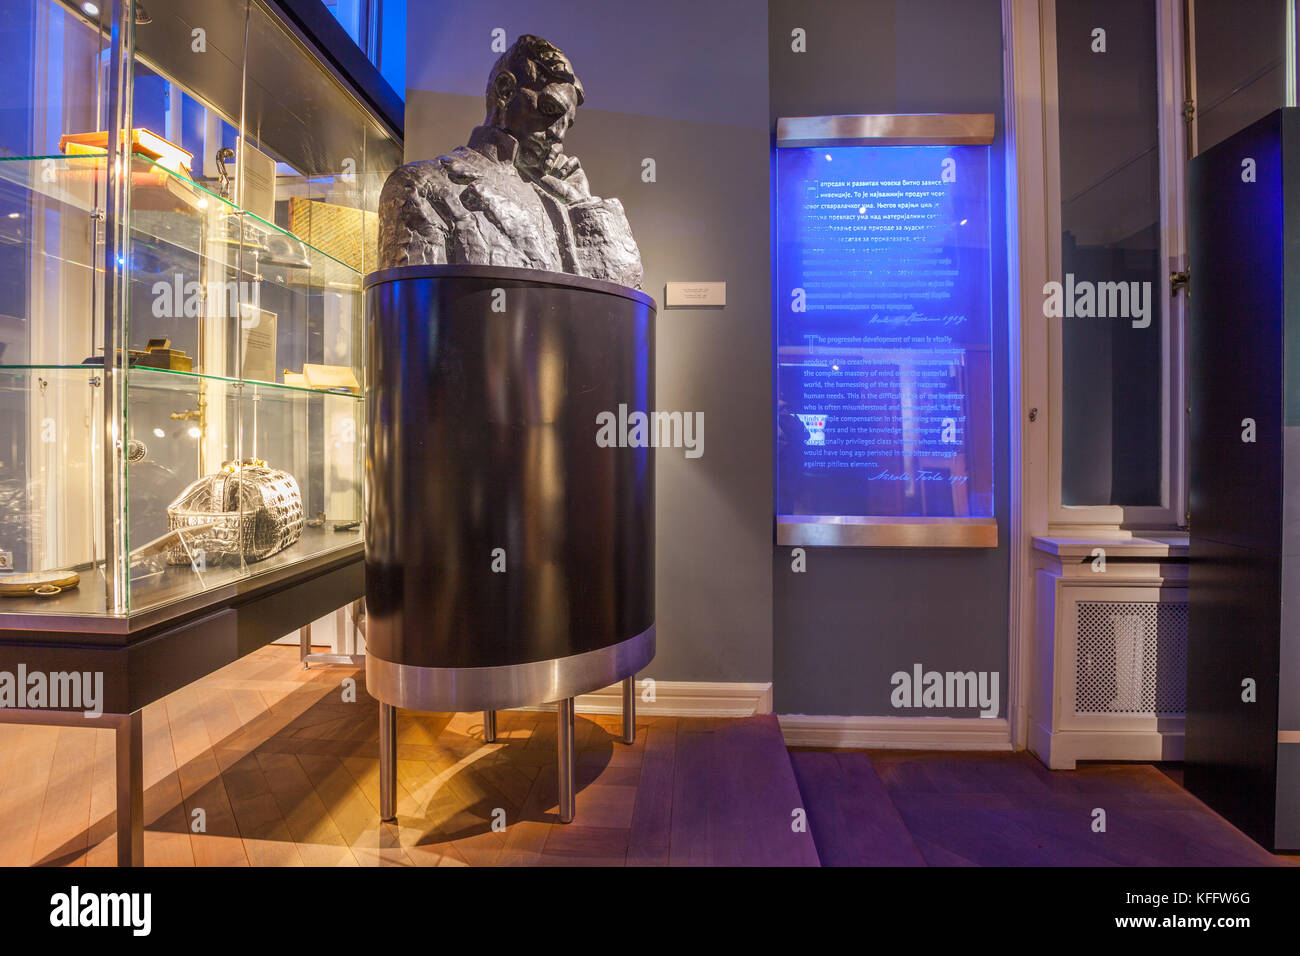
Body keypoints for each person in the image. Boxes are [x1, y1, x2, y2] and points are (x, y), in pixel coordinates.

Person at [377, 35, 644, 290]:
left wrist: (582, 207)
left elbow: (620, 307)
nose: (558, 135)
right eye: (550, 110)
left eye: (567, 125)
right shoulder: (424, 185)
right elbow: (420, 320)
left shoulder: (559, 202)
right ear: (505, 90)